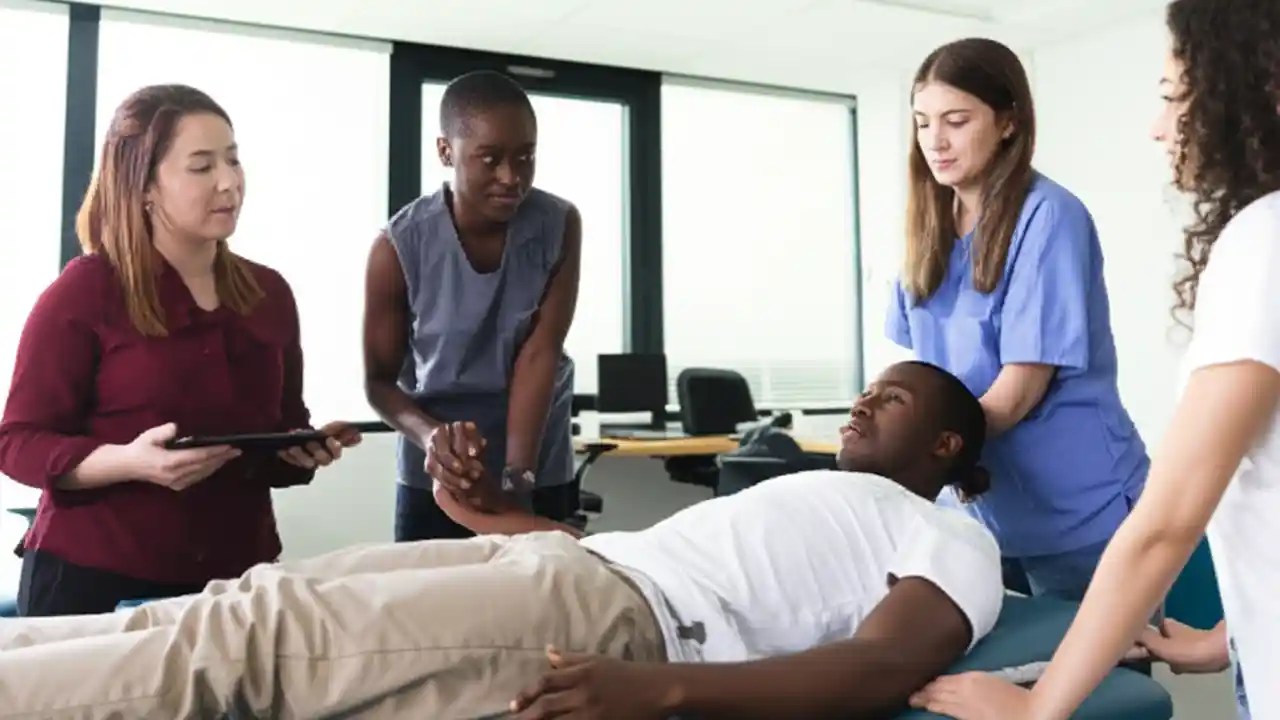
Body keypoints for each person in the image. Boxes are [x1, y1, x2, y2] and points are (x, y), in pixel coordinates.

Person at [0, 361, 1004, 719]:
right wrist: (481, 512)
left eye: (892, 397)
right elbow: (622, 550)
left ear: (946, 444)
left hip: (617, 621)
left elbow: (877, 668)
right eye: (869, 387)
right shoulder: (815, 487)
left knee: (255, 648)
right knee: (245, 606)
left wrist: (660, 691)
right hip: (570, 565)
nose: (864, 400)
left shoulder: (949, 537)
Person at [909, 1, 1280, 717]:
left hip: (1081, 514)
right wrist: (1229, 635)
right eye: (924, 123)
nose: (1157, 126)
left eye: (1174, 96)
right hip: (998, 512)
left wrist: (1037, 709)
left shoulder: (1262, 242)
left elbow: (1167, 524)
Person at [0, 84, 362, 617]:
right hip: (94, 583)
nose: (229, 181)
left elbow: (280, 427)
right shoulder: (85, 292)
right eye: (202, 166)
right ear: (145, 184)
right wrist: (128, 462)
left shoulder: (269, 293)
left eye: (233, 160)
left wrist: (298, 450)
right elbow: (18, 443)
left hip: (236, 583)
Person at [888, 37, 1149, 601]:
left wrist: (915, 457)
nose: (935, 140)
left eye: (957, 120)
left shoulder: (1049, 216)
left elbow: (1018, 390)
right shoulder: (929, 223)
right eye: (923, 122)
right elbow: (923, 374)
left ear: (1008, 122)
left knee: (1093, 662)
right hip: (980, 511)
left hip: (1078, 509)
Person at [363, 69, 582, 542]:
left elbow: (540, 352)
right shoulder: (397, 246)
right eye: (491, 159)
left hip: (537, 463)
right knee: (432, 588)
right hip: (440, 474)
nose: (511, 177)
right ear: (446, 152)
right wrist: (431, 437)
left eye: (525, 157)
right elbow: (379, 382)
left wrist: (516, 480)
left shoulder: (559, 224)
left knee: (550, 587)